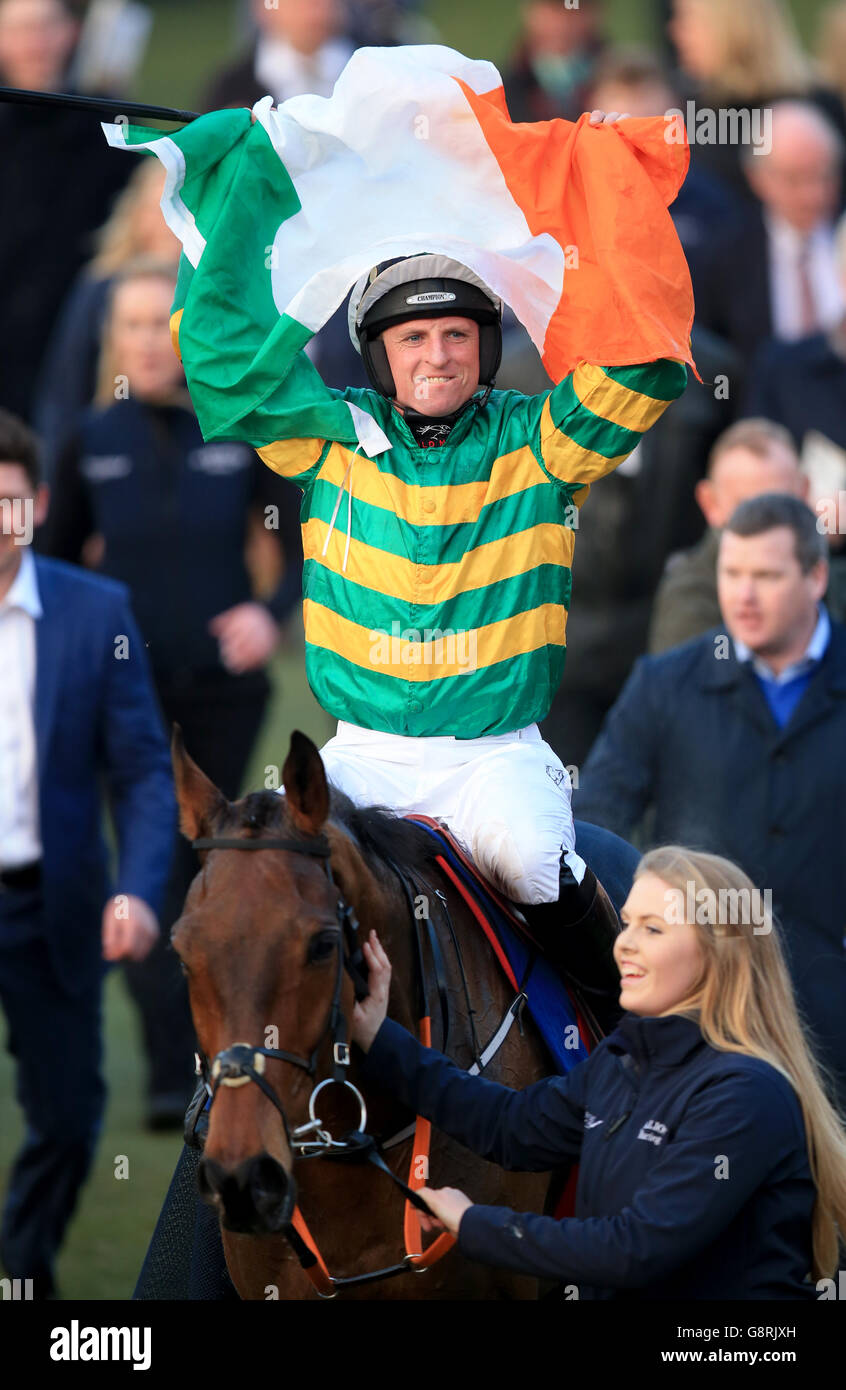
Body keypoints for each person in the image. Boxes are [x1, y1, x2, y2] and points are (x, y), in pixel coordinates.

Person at [235, 101, 690, 993]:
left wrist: (600, 180)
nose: (438, 356)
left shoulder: (544, 442)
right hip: (362, 751)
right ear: (381, 357)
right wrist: (243, 179)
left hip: (494, 757)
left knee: (529, 860)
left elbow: (644, 363)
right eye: (414, 339)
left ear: (484, 349)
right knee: (257, 878)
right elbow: (228, 365)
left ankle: (621, 1055)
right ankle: (239, 1100)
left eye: (456, 336)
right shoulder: (326, 439)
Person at [44, 260, 304, 1126]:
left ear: (192, 335)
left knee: (222, 868)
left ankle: (229, 1060)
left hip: (225, 696)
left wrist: (269, 616)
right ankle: (168, 1079)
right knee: (150, 872)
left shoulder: (236, 430)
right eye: (133, 327)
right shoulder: (90, 439)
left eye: (165, 325)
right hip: (126, 697)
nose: (149, 343)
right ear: (112, 339)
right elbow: (49, 565)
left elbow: (299, 541)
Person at [350, 845, 846, 1299]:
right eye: (627, 923)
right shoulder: (622, 1061)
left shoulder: (747, 1095)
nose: (624, 945)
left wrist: (475, 1224)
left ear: (715, 955)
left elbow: (632, 1250)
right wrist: (380, 1038)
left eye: (653, 928)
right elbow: (511, 1125)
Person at [575, 494, 846, 1108]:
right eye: (732, 574)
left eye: (767, 576)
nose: (744, 595)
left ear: (817, 577)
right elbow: (597, 823)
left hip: (834, 1026)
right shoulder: (666, 684)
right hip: (699, 1021)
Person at [0, 407, 175, 1297]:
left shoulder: (95, 611)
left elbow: (144, 771)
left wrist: (140, 892)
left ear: (37, 504)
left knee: (69, 1120)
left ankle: (20, 1273)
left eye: (9, 501)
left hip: (53, 901)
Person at [0, 0, 132, 421]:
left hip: (78, 344)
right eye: (20, 30)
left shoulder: (108, 126)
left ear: (71, 33)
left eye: (46, 27)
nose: (35, 44)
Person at [694, 102, 846, 369]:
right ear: (757, 178)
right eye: (795, 179)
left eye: (825, 175)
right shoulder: (723, 257)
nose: (815, 194)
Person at [648, 419, 807, 653]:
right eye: (746, 508)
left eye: (778, 506)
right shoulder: (690, 595)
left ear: (803, 493)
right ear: (710, 503)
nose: (764, 524)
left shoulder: (827, 576)